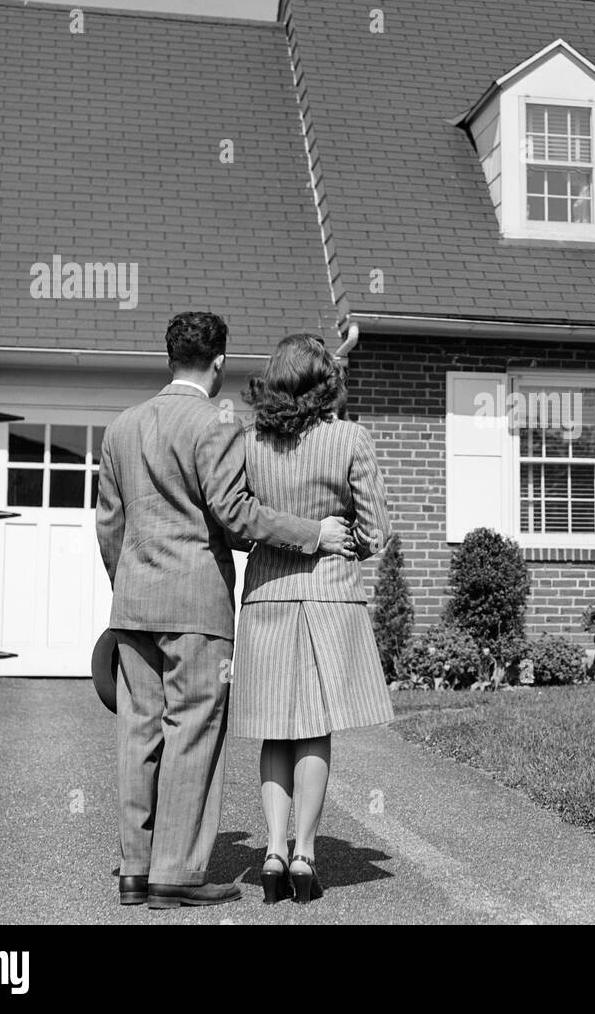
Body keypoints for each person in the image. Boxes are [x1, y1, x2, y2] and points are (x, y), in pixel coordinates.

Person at [95, 312, 356, 909]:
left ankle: (134, 872)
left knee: (138, 733)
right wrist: (311, 532)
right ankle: (177, 875)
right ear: (217, 365)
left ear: (169, 359)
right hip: (197, 608)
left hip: (133, 604)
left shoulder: (121, 427)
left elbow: (109, 527)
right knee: (193, 733)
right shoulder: (216, 421)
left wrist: (128, 586)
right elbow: (236, 515)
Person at [229, 332, 394, 905]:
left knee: (276, 727)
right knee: (313, 728)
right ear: (326, 384)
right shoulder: (351, 438)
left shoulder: (248, 443)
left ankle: (271, 854)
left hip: (269, 593)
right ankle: (305, 855)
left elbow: (233, 525)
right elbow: (376, 533)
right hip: (329, 597)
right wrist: (341, 543)